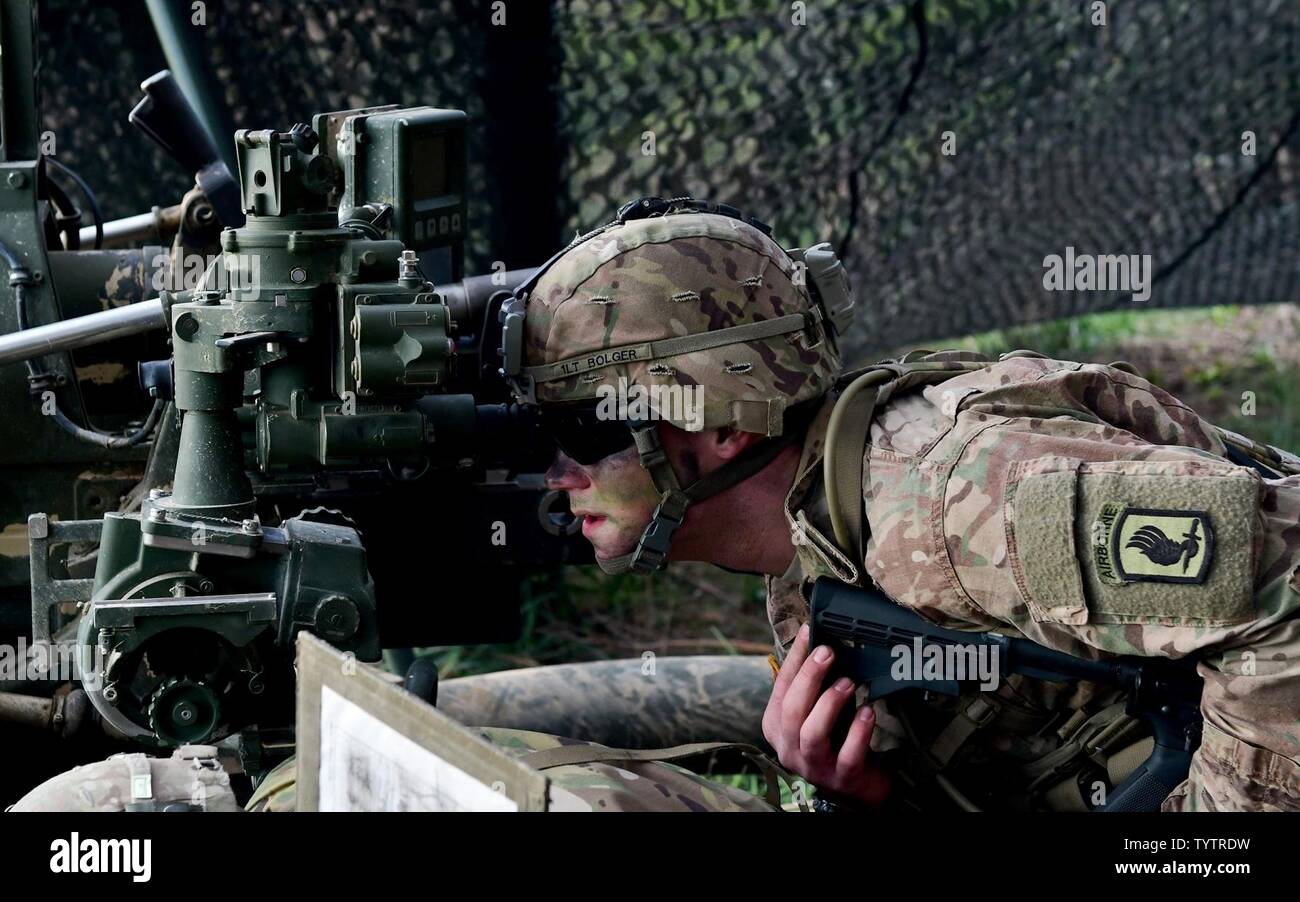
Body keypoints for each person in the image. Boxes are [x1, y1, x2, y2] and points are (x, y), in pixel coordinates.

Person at [502, 195, 1300, 811]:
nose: (556, 474)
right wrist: (871, 795)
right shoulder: (816, 541)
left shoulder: (954, 501)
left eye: (578, 430)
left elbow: (1289, 589)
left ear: (717, 426)